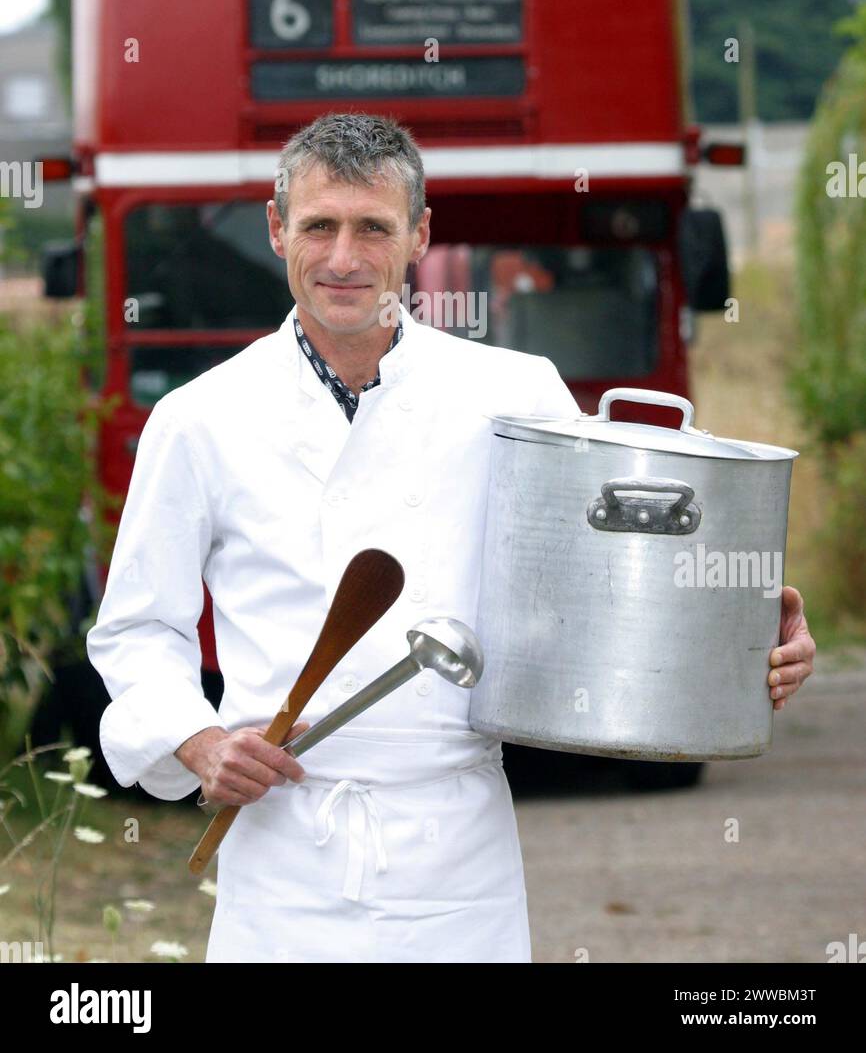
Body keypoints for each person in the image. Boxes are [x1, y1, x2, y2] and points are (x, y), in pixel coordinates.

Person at [86, 112, 816, 964]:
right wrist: (201, 743)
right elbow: (138, 631)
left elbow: (618, 582)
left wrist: (737, 634)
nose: (344, 259)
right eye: (319, 226)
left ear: (420, 236)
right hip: (283, 853)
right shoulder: (199, 418)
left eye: (373, 228)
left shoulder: (514, 395)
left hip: (455, 857)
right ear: (278, 228)